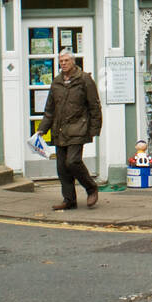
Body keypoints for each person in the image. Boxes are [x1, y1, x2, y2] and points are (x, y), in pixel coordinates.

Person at [37, 50, 103, 211]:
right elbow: (50, 110)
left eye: (66, 60)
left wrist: (94, 129)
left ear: (73, 61)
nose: (64, 63)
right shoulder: (56, 82)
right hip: (59, 130)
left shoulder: (84, 80)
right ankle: (69, 200)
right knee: (62, 167)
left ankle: (91, 188)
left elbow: (94, 106)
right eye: (61, 61)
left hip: (78, 128)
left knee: (72, 161)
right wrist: (41, 129)